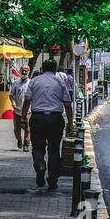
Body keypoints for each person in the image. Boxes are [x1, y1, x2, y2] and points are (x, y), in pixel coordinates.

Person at [26, 59, 73, 189]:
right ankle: (52, 179)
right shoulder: (60, 82)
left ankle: (40, 165)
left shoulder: (34, 81)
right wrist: (70, 123)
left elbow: (27, 100)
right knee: (54, 149)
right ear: (55, 69)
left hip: (37, 118)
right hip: (55, 119)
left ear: (42, 68)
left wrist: (23, 117)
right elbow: (67, 104)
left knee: (38, 147)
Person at [9, 69, 30, 151]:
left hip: (29, 110)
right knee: (17, 128)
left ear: (29, 71)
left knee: (28, 128)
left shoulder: (31, 83)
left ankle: (26, 144)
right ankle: (19, 141)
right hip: (17, 110)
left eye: (26, 71)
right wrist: (13, 102)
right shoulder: (15, 83)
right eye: (23, 71)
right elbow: (11, 95)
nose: (24, 72)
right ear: (20, 71)